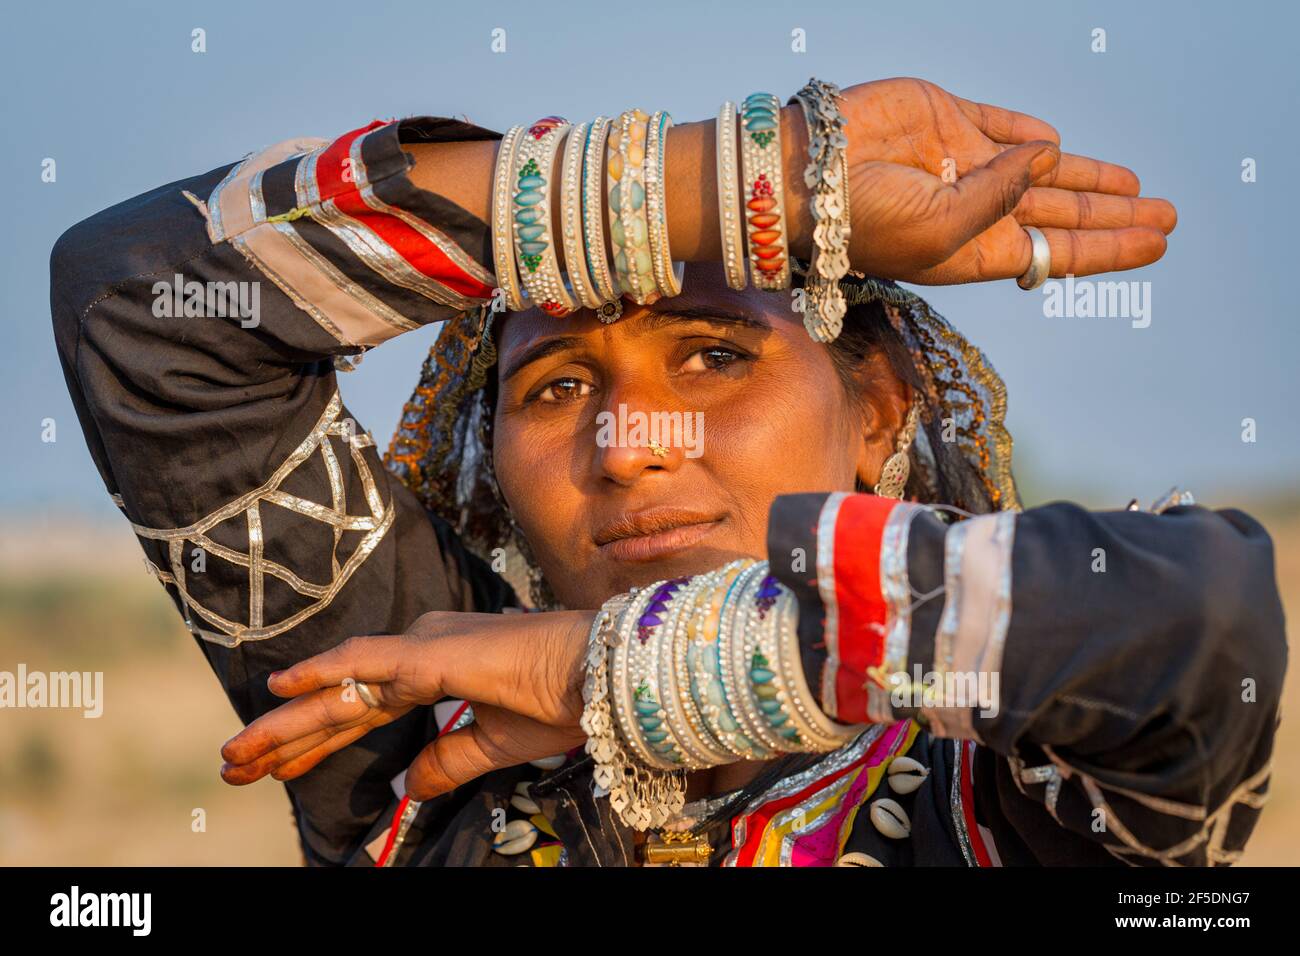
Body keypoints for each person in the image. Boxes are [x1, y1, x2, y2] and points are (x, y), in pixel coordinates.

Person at [50, 76, 1282, 866]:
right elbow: (138, 304)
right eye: (557, 385)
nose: (631, 443)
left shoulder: (1013, 793)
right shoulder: (426, 750)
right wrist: (740, 181)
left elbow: (1203, 623)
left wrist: (630, 672)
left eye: (711, 355)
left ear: (877, 408)